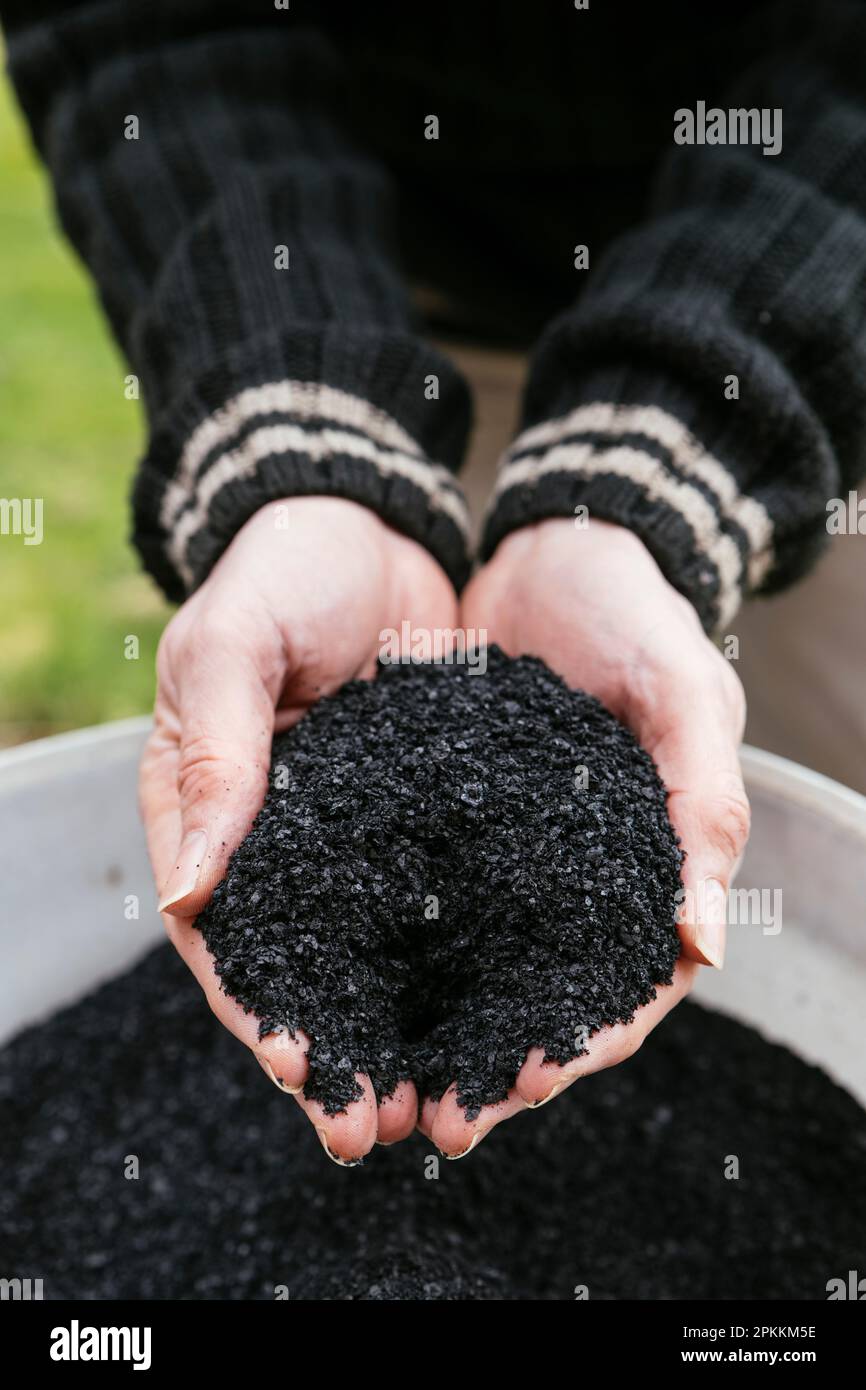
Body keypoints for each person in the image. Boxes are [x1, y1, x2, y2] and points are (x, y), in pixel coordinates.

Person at [4, 0, 865, 1164]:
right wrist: (301, 462)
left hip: (807, 301)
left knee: (802, 829)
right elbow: (141, 26)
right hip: (360, 278)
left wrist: (651, 484)